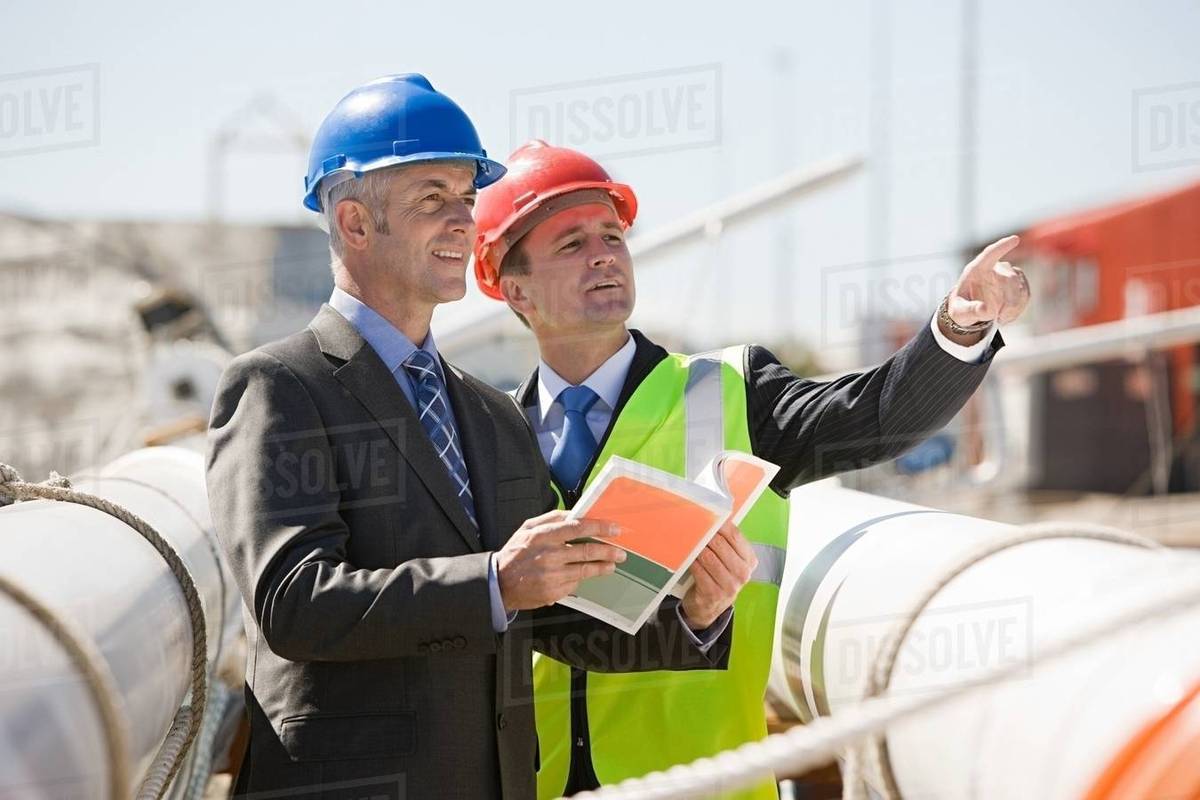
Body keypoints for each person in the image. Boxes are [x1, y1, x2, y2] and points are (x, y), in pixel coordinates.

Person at [206, 77, 749, 800]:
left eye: (467, 197)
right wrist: (494, 580)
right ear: (355, 222)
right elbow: (294, 603)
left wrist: (696, 617)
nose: (465, 221)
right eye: (434, 198)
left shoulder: (493, 415)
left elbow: (548, 613)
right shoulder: (282, 385)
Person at [471, 140, 1032, 799]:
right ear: (516, 289)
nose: (604, 254)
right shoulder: (486, 436)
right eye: (571, 243)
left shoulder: (734, 390)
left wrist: (958, 329)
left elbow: (877, 416)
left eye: (613, 235)